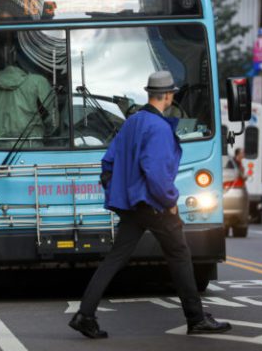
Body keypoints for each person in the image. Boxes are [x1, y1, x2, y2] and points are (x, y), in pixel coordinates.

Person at [69, 71, 231, 339]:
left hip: (132, 206)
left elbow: (108, 162)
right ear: (168, 95)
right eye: (172, 94)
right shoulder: (158, 128)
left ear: (149, 94)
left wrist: (119, 194)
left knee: (114, 259)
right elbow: (155, 172)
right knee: (180, 256)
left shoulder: (132, 122)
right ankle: (196, 318)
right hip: (155, 205)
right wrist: (169, 203)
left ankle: (84, 315)